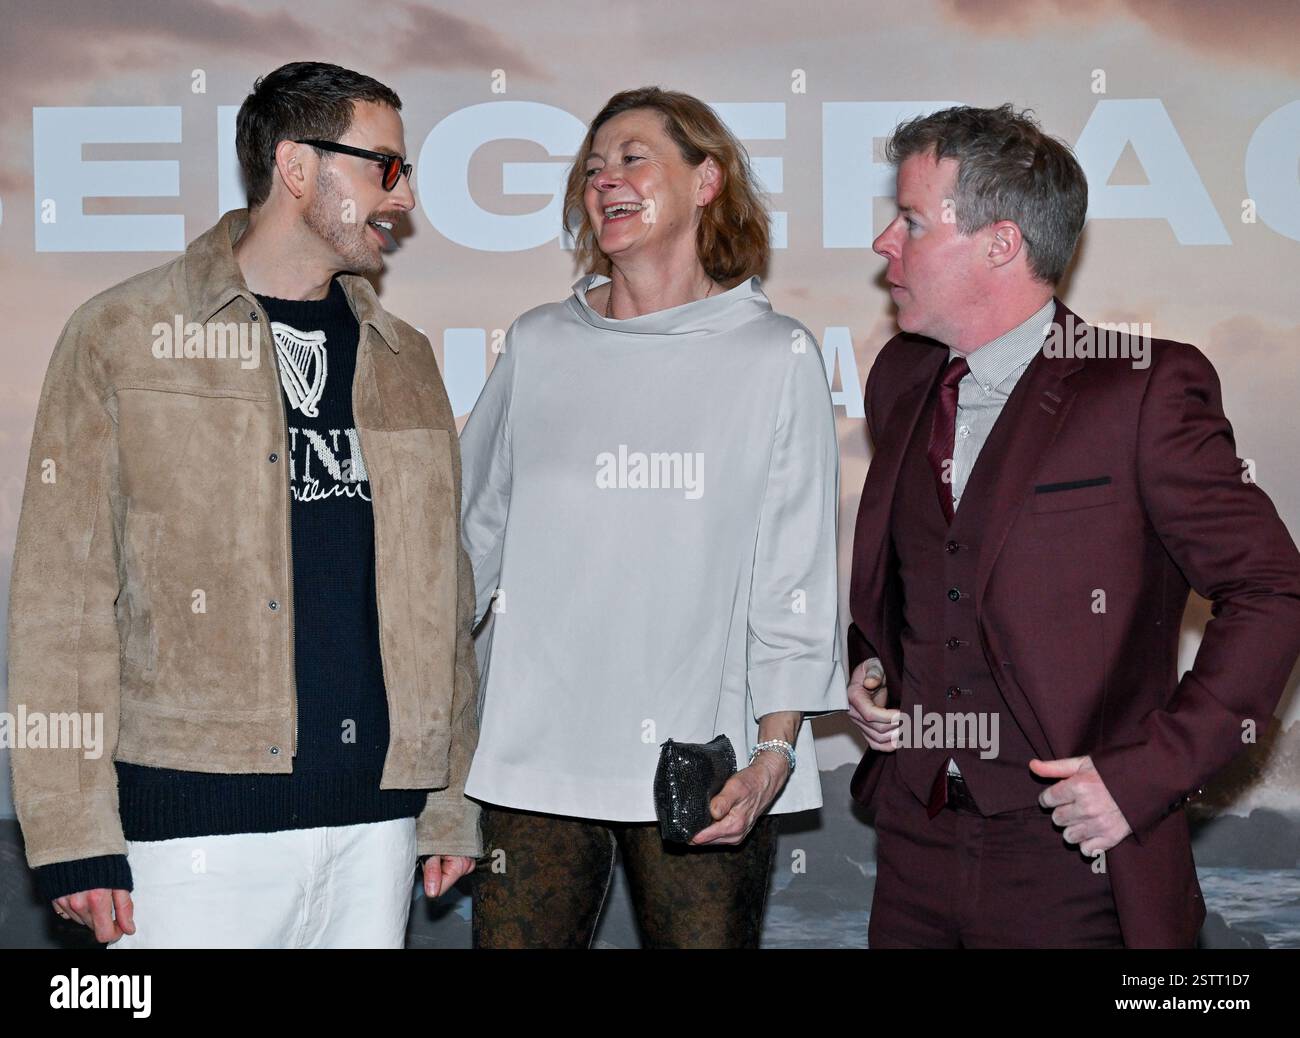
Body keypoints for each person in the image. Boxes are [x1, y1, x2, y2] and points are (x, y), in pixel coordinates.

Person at [6, 61, 480, 948]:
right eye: (386, 166)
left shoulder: (402, 355)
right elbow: (59, 604)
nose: (405, 196)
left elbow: (439, 601)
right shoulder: (123, 334)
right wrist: (73, 835)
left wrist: (446, 800)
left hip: (376, 832)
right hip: (190, 839)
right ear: (297, 168)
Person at [846, 103, 1300, 948]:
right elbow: (918, 576)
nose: (883, 244)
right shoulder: (901, 379)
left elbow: (1272, 588)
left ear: (1000, 243)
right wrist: (876, 673)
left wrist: (1145, 777)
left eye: (909, 220)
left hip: (1073, 862)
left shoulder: (1143, 388)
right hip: (911, 844)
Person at [459, 87, 847, 948]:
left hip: (703, 765)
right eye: (593, 168)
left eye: (634, 157)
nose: (607, 180)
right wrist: (440, 750)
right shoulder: (537, 344)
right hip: (532, 760)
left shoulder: (773, 354)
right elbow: (466, 548)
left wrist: (774, 755)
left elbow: (795, 572)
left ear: (707, 180)